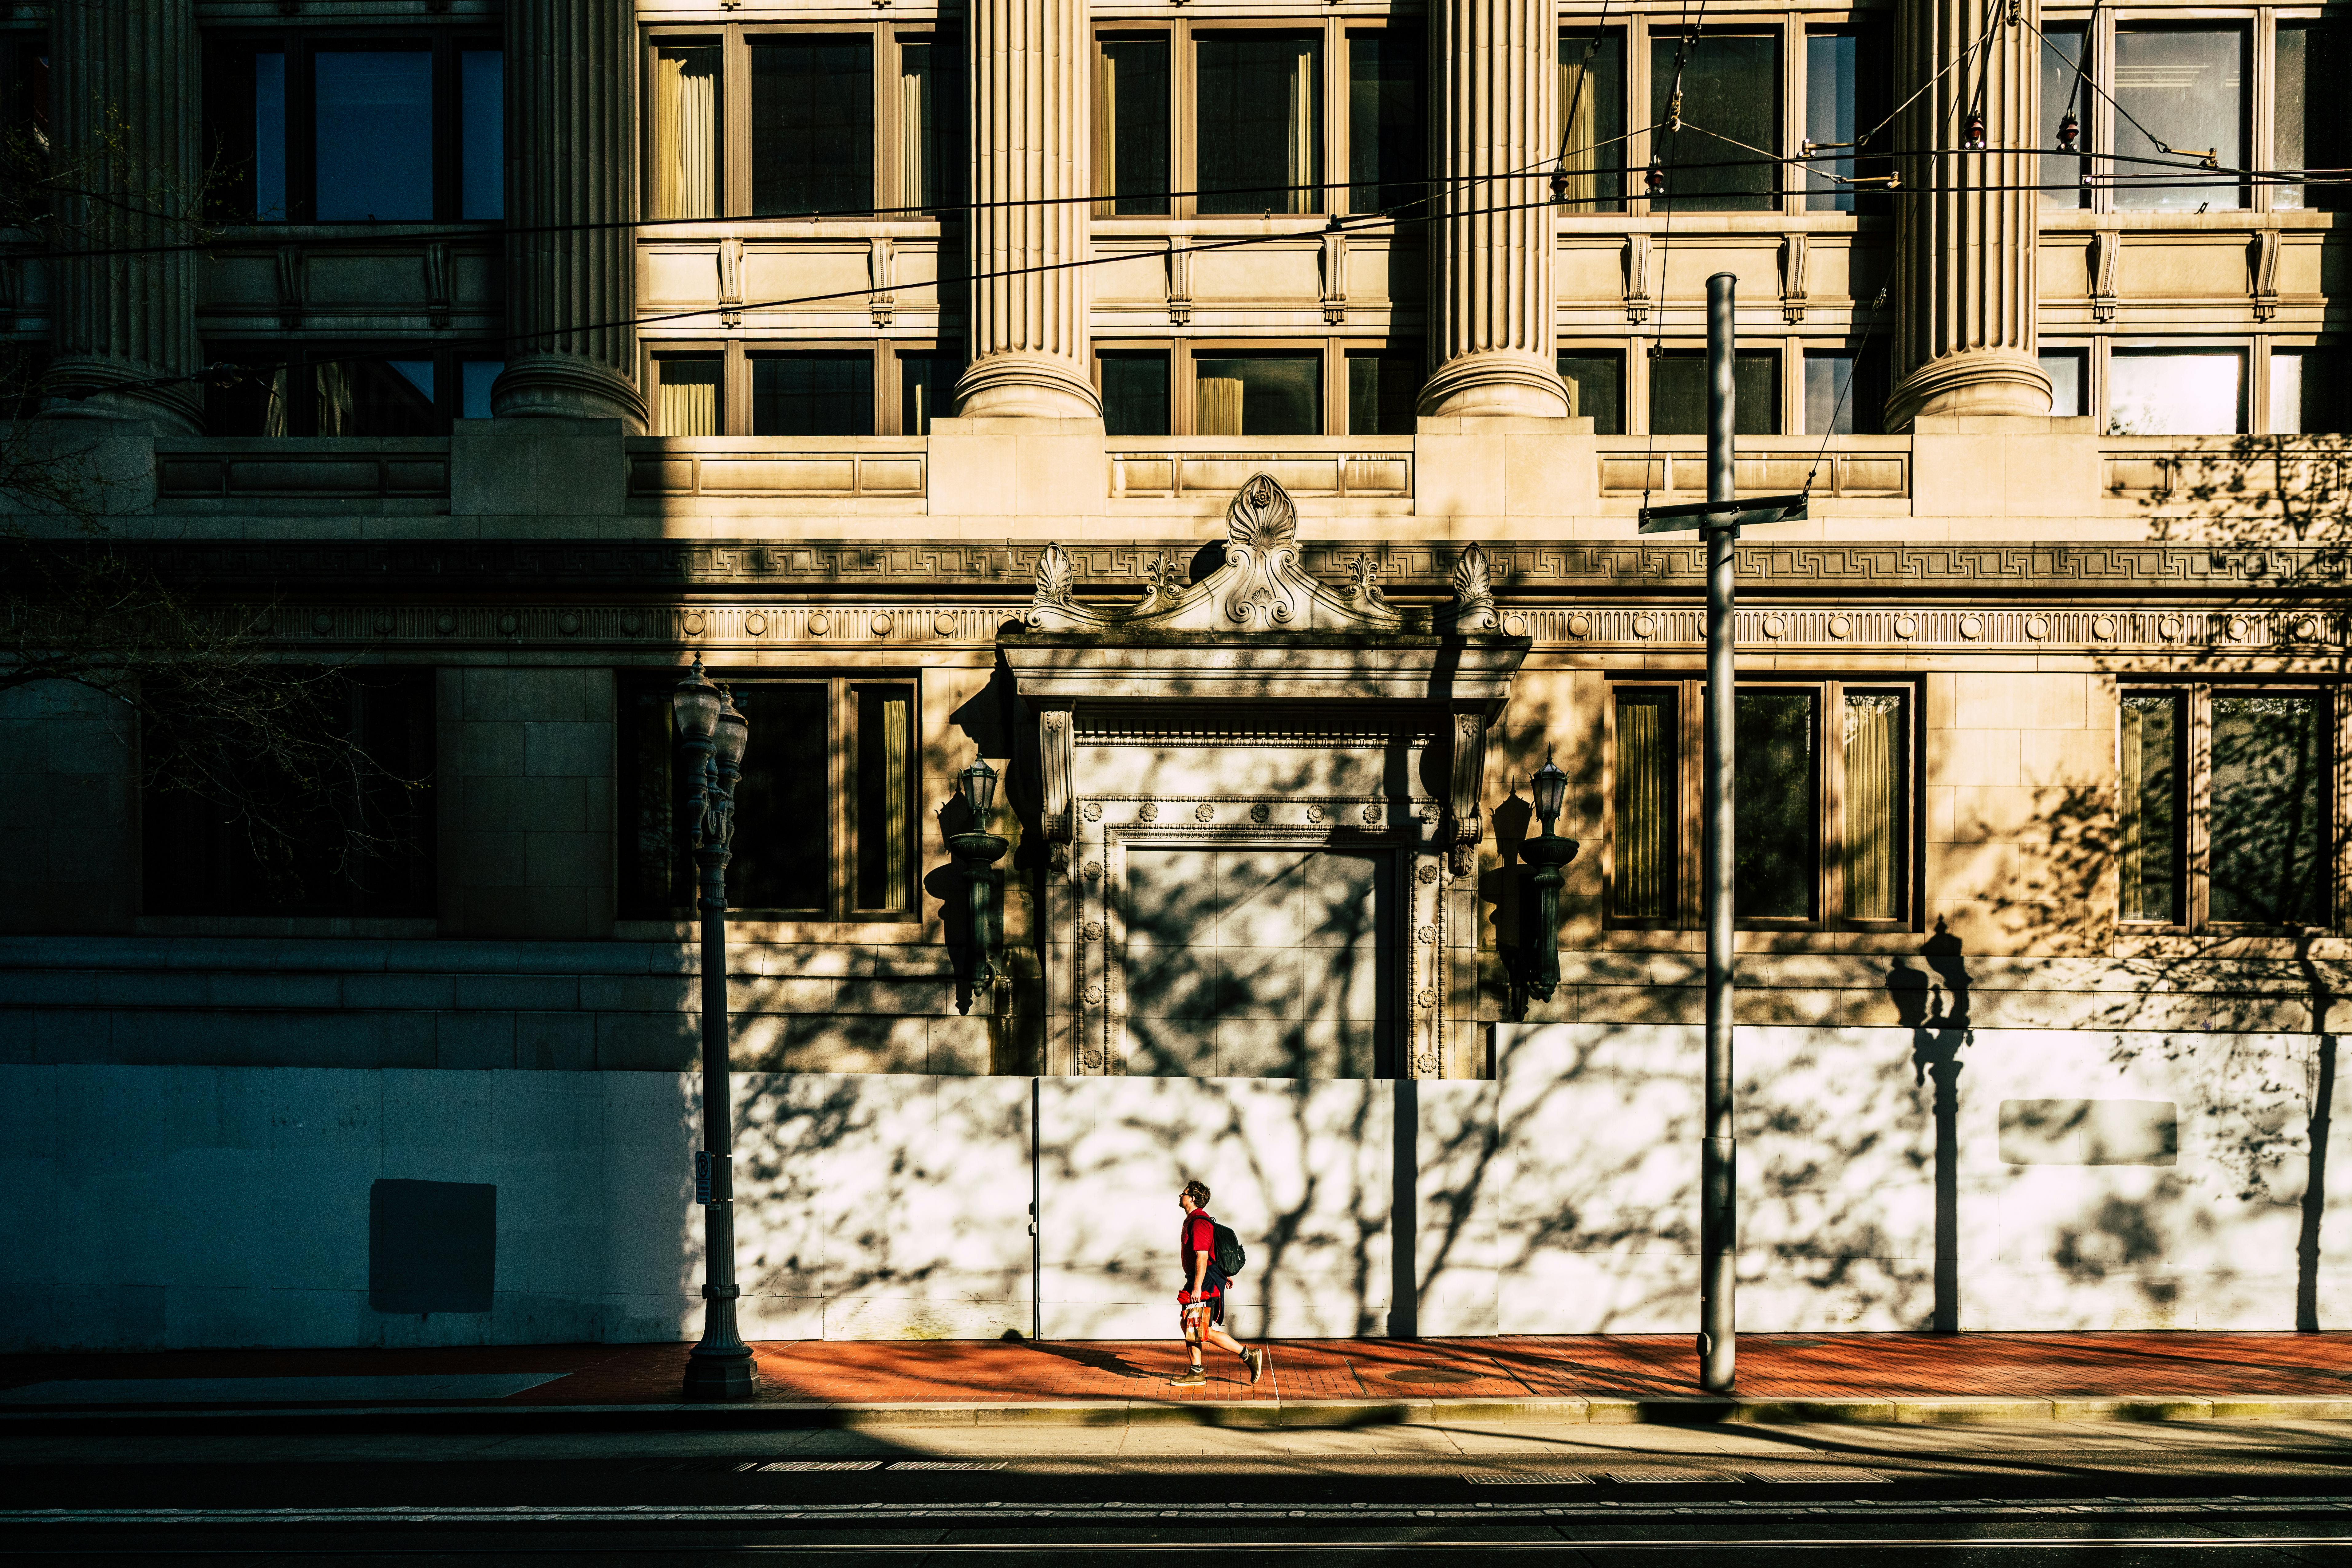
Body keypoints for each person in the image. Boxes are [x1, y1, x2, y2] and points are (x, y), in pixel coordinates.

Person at [1171, 1179, 1264, 1388]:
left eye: (1184, 1193)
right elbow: (1211, 1255)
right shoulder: (1194, 1220)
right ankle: (1196, 1371)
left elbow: (1203, 1257)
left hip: (1205, 1282)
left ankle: (1248, 1355)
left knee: (1200, 1329)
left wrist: (1198, 1286)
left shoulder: (1200, 1223)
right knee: (1189, 1324)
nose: (1181, 1195)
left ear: (1193, 1198)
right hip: (1205, 1278)